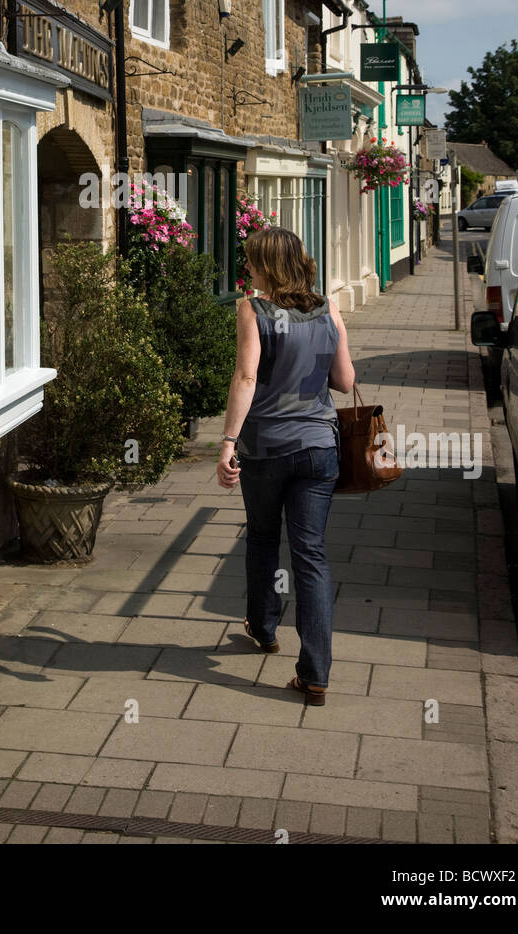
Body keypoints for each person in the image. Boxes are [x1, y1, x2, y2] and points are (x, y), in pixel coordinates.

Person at [216, 226, 355, 706]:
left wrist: (227, 441)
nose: (247, 268)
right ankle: (315, 673)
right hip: (320, 447)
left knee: (261, 535)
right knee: (310, 554)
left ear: (267, 265)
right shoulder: (328, 308)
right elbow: (345, 379)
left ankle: (265, 626)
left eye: (252, 261)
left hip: (266, 447)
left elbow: (247, 375)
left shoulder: (253, 309)